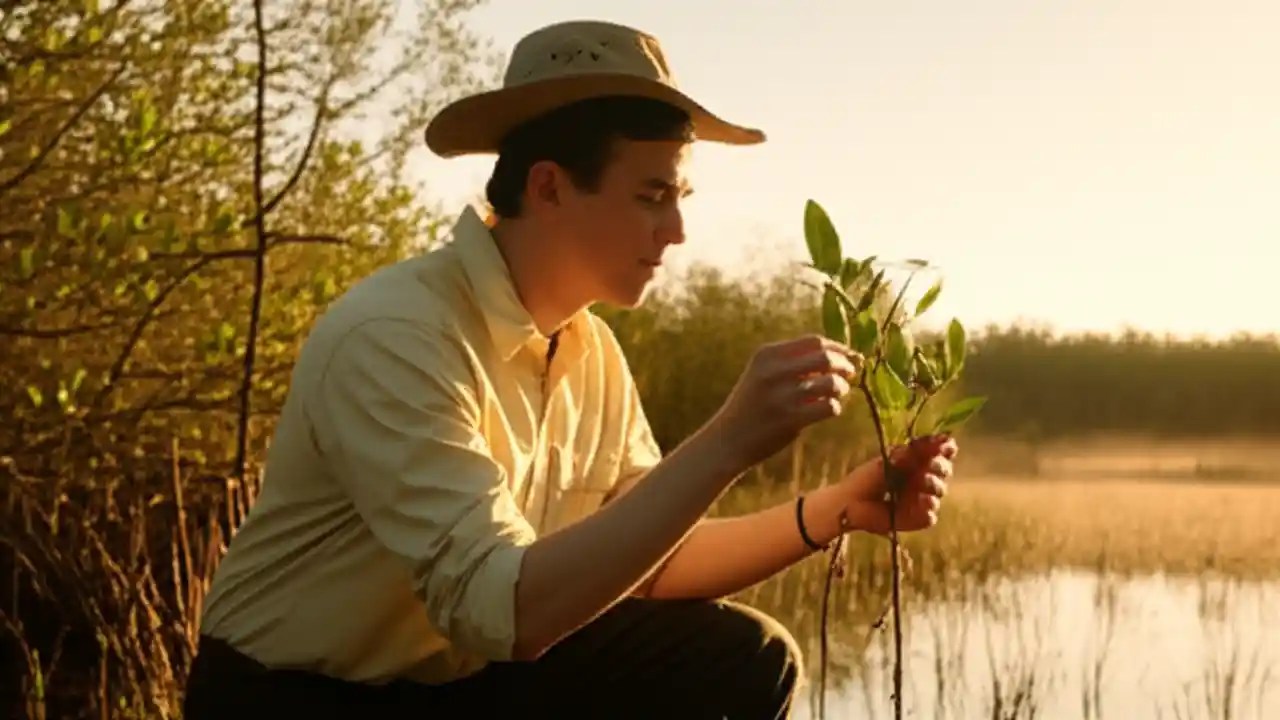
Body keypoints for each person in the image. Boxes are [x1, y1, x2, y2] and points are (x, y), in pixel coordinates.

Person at [182, 18, 958, 720]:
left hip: (458, 685)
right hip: (291, 698)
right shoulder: (396, 335)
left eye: (680, 196)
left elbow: (652, 560)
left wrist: (837, 511)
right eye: (653, 196)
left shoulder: (591, 352)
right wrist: (729, 439)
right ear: (548, 186)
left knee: (740, 661)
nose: (678, 229)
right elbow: (502, 613)